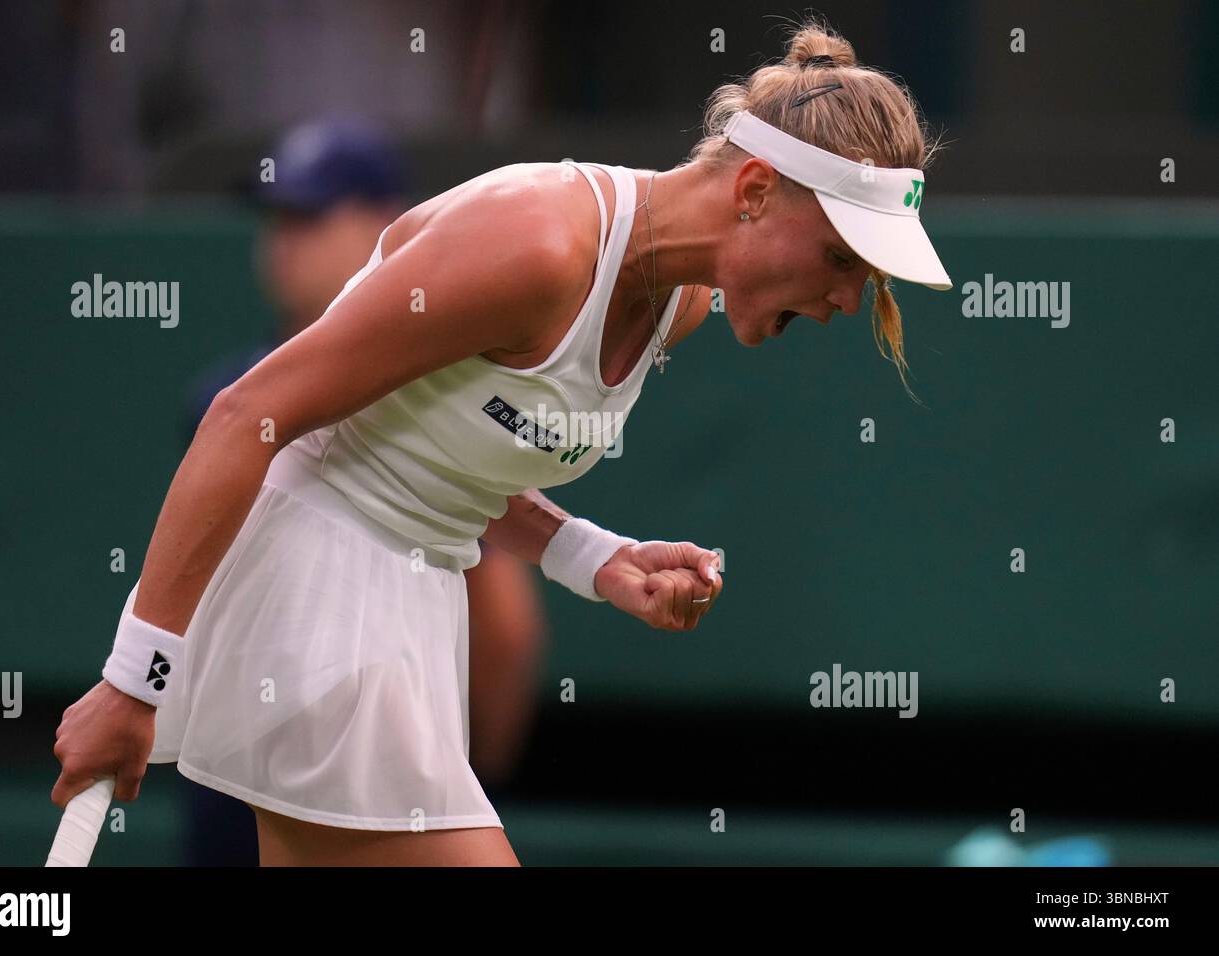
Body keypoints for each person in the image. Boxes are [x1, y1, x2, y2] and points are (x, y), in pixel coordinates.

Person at [52, 20, 952, 866]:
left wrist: (597, 559)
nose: (845, 301)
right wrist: (134, 679)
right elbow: (249, 412)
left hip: (407, 609)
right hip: (311, 591)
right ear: (755, 191)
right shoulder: (537, 243)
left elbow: (451, 460)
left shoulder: (680, 304)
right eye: (842, 260)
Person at [177, 118, 549, 864]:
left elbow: (505, 625)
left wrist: (458, 784)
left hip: (378, 777)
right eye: (276, 220)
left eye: (311, 218)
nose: (285, 242)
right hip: (230, 776)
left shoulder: (435, 390)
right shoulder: (227, 398)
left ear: (389, 223)